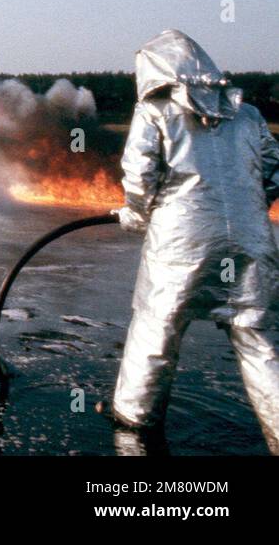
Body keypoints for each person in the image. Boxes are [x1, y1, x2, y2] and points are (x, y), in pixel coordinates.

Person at [113, 29, 279, 452]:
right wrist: (248, 211)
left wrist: (137, 212)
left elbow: (140, 174)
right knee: (259, 338)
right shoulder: (249, 115)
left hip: (181, 243)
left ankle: (135, 422)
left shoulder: (154, 111)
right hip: (253, 242)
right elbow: (273, 173)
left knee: (158, 326)